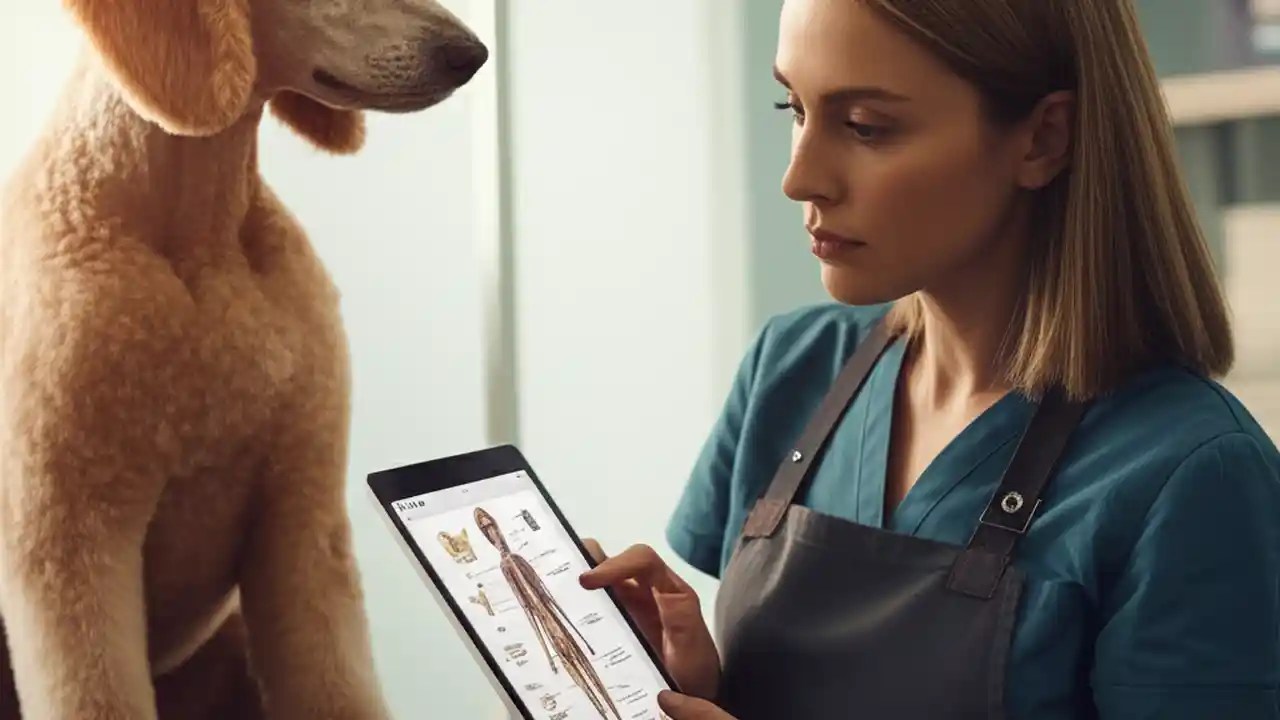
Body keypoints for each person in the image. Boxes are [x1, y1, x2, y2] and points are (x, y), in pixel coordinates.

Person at [579, 0, 1280, 718]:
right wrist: (697, 688)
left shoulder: (1194, 475)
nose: (800, 178)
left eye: (865, 128)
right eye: (794, 108)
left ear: (1043, 139)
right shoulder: (790, 368)